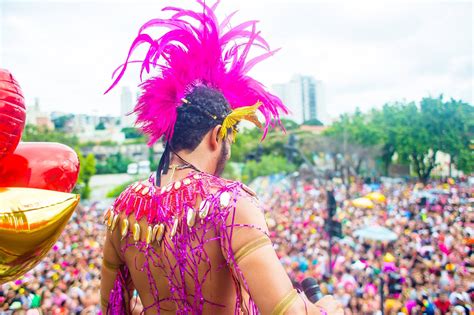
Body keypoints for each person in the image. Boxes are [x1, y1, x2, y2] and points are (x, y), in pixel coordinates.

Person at [100, 1, 343, 314]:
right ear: (217, 135)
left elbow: (111, 308)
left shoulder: (124, 208)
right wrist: (326, 308)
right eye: (231, 137)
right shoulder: (230, 203)